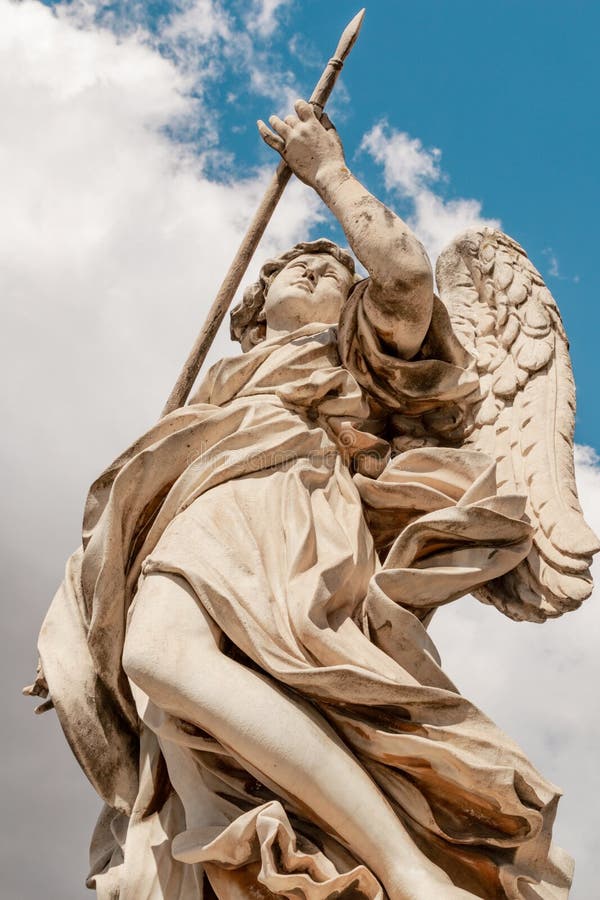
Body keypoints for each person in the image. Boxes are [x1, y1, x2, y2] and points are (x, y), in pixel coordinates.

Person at [34, 101, 572, 899]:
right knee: (178, 714)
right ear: (250, 315)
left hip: (287, 491)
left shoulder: (351, 351)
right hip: (214, 502)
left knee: (162, 655)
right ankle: (369, 863)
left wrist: (328, 172)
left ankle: (406, 870)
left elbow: (401, 275)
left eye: (333, 267)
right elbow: (119, 523)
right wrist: (90, 616)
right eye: (299, 263)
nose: (323, 264)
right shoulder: (217, 392)